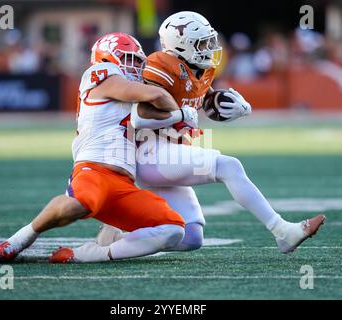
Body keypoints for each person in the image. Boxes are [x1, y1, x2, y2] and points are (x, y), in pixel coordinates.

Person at [97, 12, 325, 254]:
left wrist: (231, 107)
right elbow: (140, 116)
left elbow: (200, 101)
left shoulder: (201, 69)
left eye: (209, 41)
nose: (210, 48)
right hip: (149, 153)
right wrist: (181, 115)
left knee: (191, 237)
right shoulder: (161, 65)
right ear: (181, 44)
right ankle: (283, 232)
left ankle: (117, 236)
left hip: (171, 151)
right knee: (228, 166)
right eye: (202, 43)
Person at [0, 32, 201, 263]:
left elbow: (159, 122)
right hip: (95, 169)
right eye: (129, 59)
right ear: (107, 58)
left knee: (173, 229)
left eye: (139, 61)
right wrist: (181, 116)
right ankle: (21, 239)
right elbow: (156, 93)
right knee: (77, 205)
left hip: (124, 184)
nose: (136, 66)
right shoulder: (100, 74)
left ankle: (84, 255)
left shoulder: (135, 99)